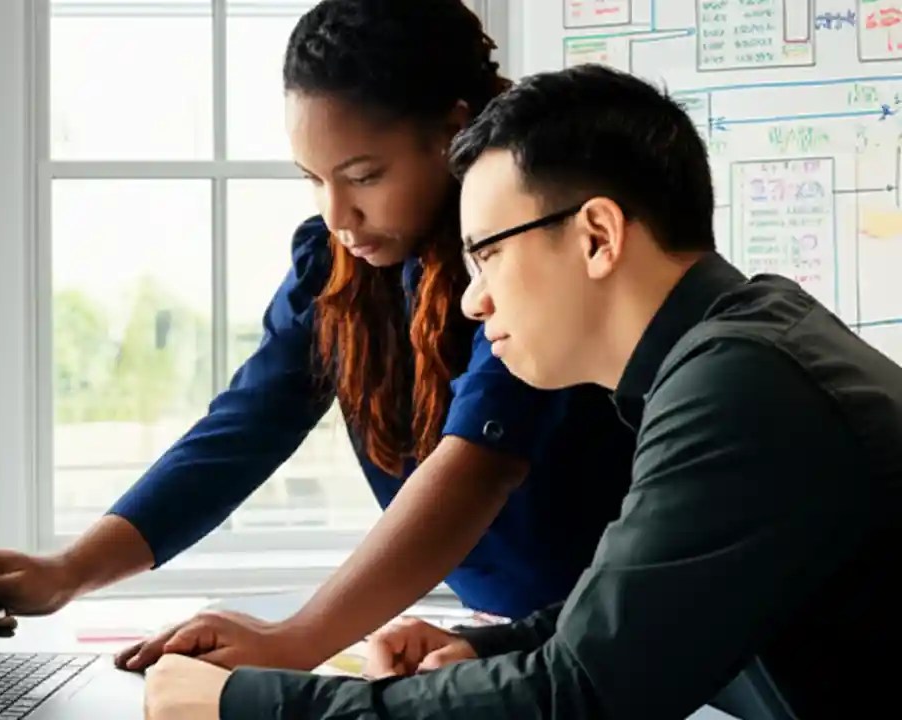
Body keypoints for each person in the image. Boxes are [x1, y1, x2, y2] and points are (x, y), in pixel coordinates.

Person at [142, 63, 902, 720]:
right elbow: (655, 608)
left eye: (488, 258)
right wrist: (486, 644)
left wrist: (238, 703)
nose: (474, 302)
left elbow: (575, 700)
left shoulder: (738, 389)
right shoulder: (740, 344)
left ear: (597, 236)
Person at [0, 0, 632, 675]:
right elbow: (244, 430)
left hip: (622, 624)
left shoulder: (526, 261)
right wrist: (70, 572)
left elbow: (480, 466)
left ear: (453, 136)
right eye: (313, 179)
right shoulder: (335, 266)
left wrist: (298, 638)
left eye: (364, 176)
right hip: (513, 631)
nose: (338, 214)